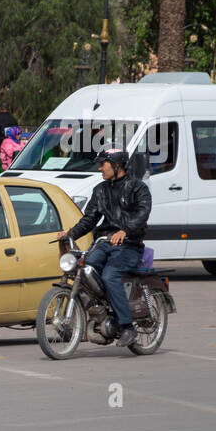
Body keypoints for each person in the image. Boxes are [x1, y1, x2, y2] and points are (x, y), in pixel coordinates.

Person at [55, 148, 152, 348]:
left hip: (129, 245)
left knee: (110, 276)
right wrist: (70, 234)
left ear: (117, 165)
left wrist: (125, 231)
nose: (100, 168)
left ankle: (127, 327)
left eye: (103, 164)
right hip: (104, 243)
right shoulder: (100, 190)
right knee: (85, 269)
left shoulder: (137, 188)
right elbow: (90, 218)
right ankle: (101, 311)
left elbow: (142, 213)